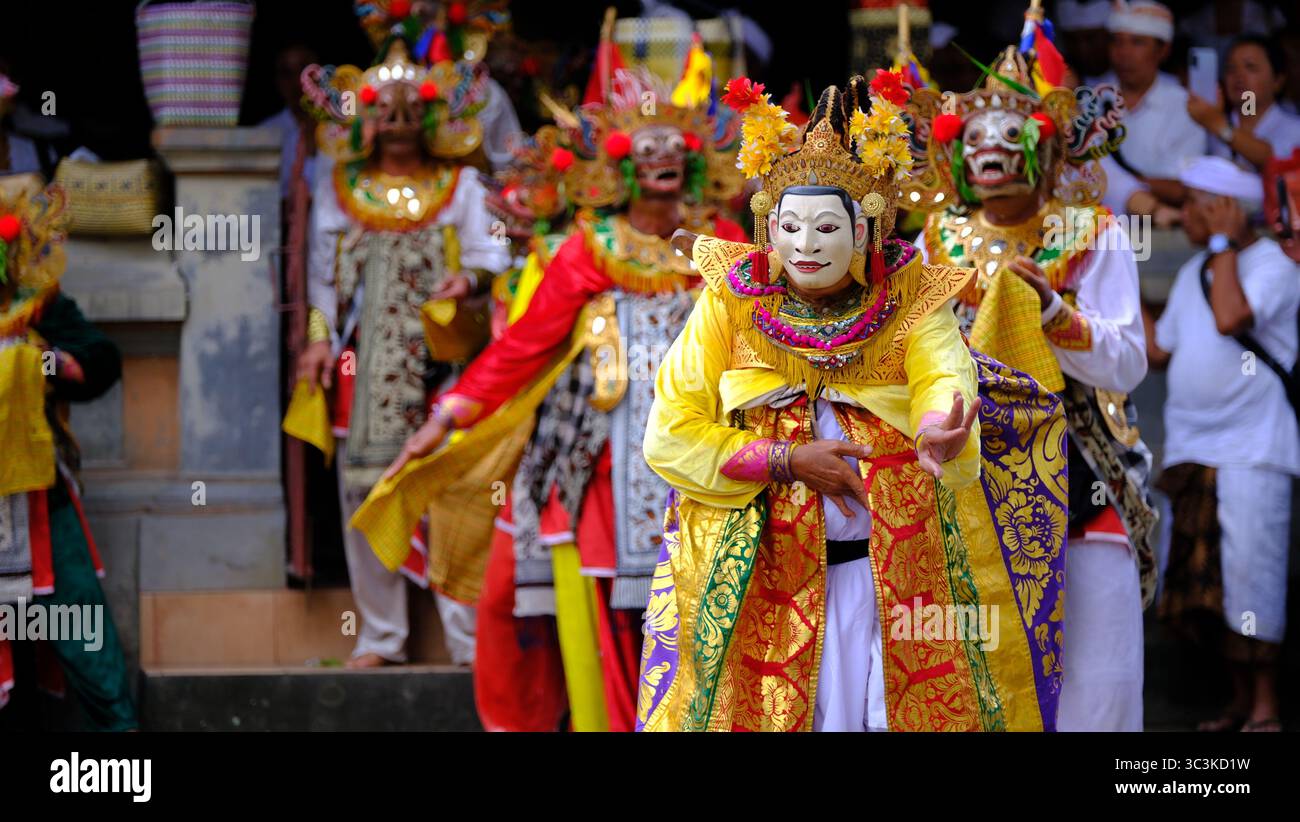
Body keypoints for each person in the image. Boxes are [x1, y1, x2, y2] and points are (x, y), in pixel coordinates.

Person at [636, 70, 1068, 732]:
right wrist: (784, 458)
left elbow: (942, 376)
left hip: (902, 572)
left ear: (865, 233)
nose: (806, 246)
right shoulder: (728, 300)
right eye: (791, 227)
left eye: (826, 227)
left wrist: (936, 431)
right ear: (769, 229)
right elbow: (669, 433)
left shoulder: (912, 298)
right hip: (763, 579)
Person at [352, 31, 747, 731]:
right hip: (600, 464)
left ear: (693, 164)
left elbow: (763, 336)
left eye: (671, 151)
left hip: (710, 459)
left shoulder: (722, 243)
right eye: (644, 150)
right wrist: (449, 415)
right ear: (619, 167)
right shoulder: (588, 249)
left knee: (709, 614)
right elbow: (526, 347)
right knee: (615, 619)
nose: (659, 160)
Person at [908, 8, 1158, 731]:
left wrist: (1053, 312)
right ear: (955, 155)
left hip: (1078, 464)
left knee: (1097, 678)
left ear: (1046, 150)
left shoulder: (1092, 233)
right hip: (970, 465)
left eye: (1006, 134)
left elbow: (1129, 361)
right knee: (982, 668)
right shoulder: (938, 241)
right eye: (974, 137)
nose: (989, 149)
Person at [290, 8, 511, 669]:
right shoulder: (340, 187)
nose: (395, 116)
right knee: (365, 487)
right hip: (365, 365)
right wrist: (320, 338)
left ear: (433, 114)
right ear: (362, 118)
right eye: (382, 106)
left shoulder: (462, 183)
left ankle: (467, 640)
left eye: (409, 104)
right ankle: (381, 634)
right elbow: (323, 278)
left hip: (445, 359)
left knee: (452, 485)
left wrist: (468, 282)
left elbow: (493, 252)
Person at [1146, 155, 1299, 733]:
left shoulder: (1275, 267)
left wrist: (1223, 242)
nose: (1182, 215)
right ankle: (1236, 702)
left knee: (1253, 578)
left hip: (1252, 450)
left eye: (1194, 205)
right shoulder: (1196, 271)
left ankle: (1266, 708)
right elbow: (1160, 350)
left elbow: (1233, 317)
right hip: (1194, 448)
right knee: (1204, 582)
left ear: (1223, 210)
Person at [0, 182, 136, 730]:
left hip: (38, 498)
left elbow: (99, 360)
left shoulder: (38, 309)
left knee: (82, 632)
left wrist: (48, 363)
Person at [1097, 0, 1207, 222]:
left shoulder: (1186, 106)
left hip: (1166, 229)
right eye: (1117, 42)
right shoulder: (1089, 100)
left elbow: (1181, 190)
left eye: (1137, 43)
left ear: (1163, 50)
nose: (1124, 53)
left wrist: (1114, 182)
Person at [1190, 35, 1300, 174]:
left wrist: (1219, 125)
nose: (1239, 76)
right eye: (1231, 68)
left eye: (1250, 67)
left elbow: (1272, 160)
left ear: (1277, 81)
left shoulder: (1295, 129)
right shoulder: (1210, 121)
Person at [258, 43, 320, 204]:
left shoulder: (338, 128)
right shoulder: (265, 132)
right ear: (278, 81)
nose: (297, 81)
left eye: (304, 70)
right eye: (287, 73)